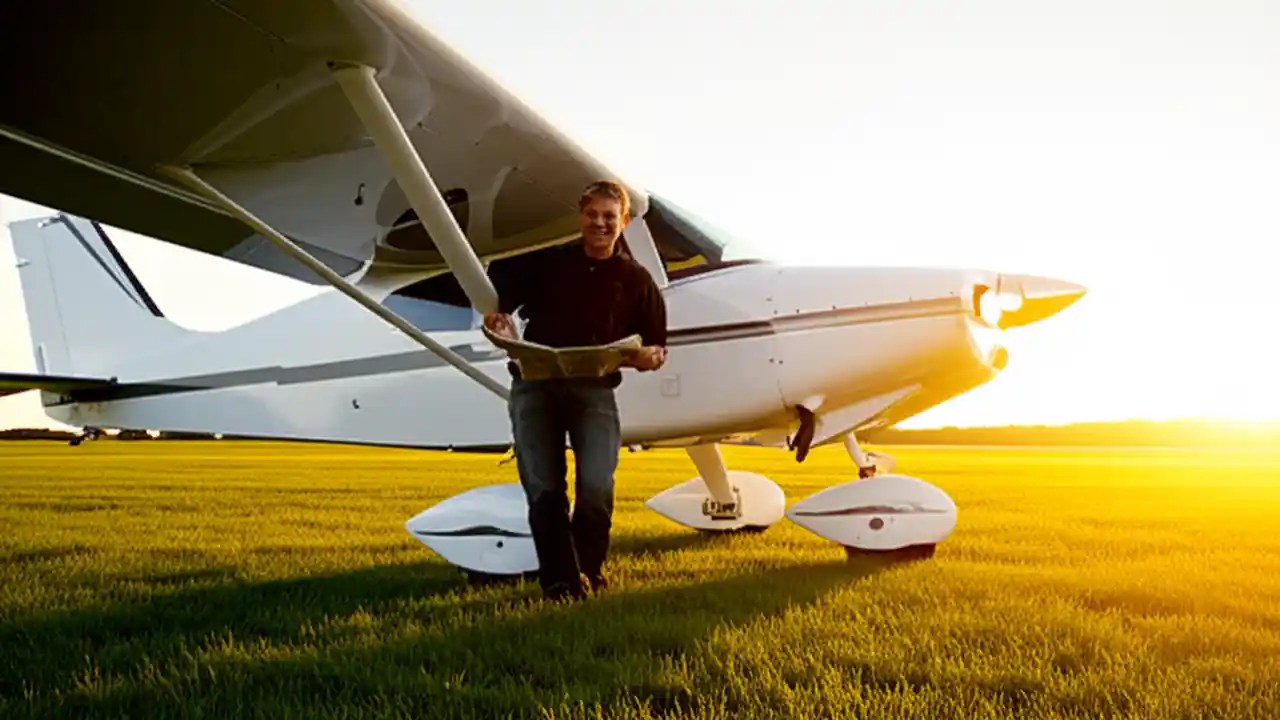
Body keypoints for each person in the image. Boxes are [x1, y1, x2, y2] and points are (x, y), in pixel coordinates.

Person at [484, 180, 668, 601]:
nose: (600, 224)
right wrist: (501, 323)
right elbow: (502, 306)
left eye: (609, 217)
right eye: (592, 215)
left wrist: (644, 358)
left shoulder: (637, 280)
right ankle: (561, 585)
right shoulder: (549, 264)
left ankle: (589, 568)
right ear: (581, 217)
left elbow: (658, 348)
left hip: (595, 393)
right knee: (544, 488)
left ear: (623, 221)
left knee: (598, 487)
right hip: (535, 387)